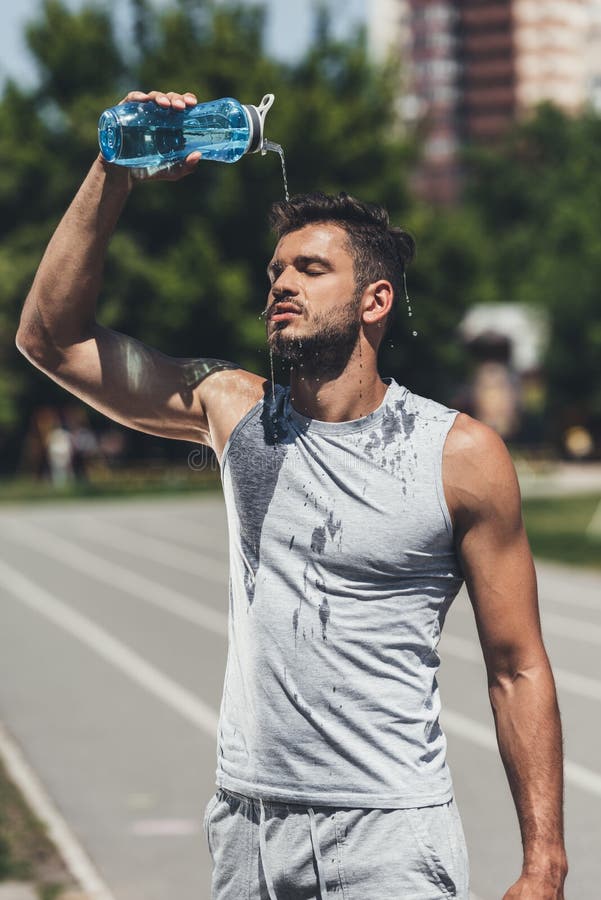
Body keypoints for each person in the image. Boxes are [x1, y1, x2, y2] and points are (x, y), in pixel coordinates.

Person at [16, 90, 567, 900]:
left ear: (374, 301)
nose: (281, 285)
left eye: (310, 270)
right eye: (275, 271)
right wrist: (115, 169)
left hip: (386, 832)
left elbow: (516, 666)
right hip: (249, 829)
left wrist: (543, 863)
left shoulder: (458, 455)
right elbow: (50, 340)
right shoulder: (234, 411)